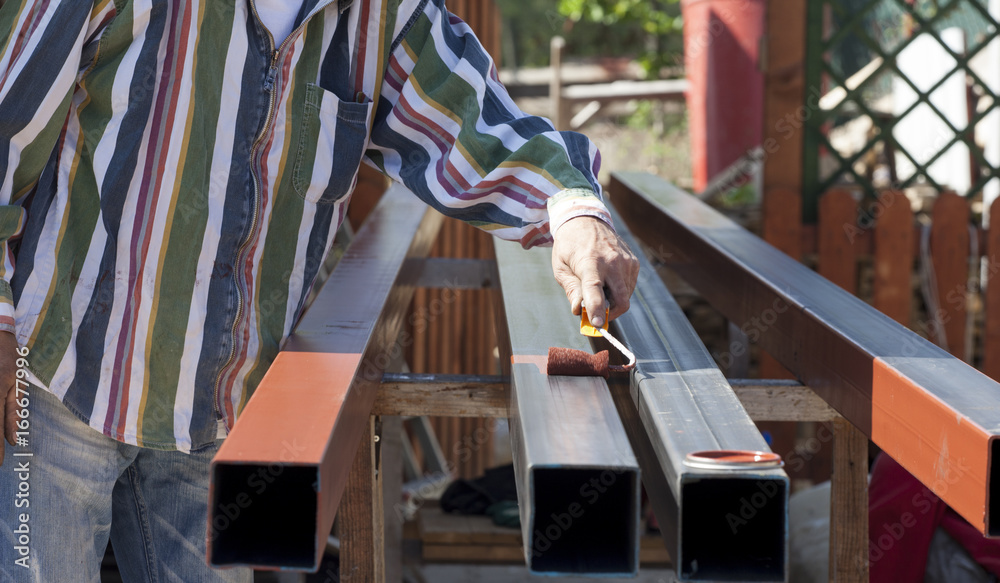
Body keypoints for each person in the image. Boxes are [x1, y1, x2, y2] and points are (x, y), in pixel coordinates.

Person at [0, 0, 638, 581]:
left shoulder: (387, 15)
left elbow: (477, 126)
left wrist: (574, 210)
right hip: (55, 378)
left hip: (217, 404)